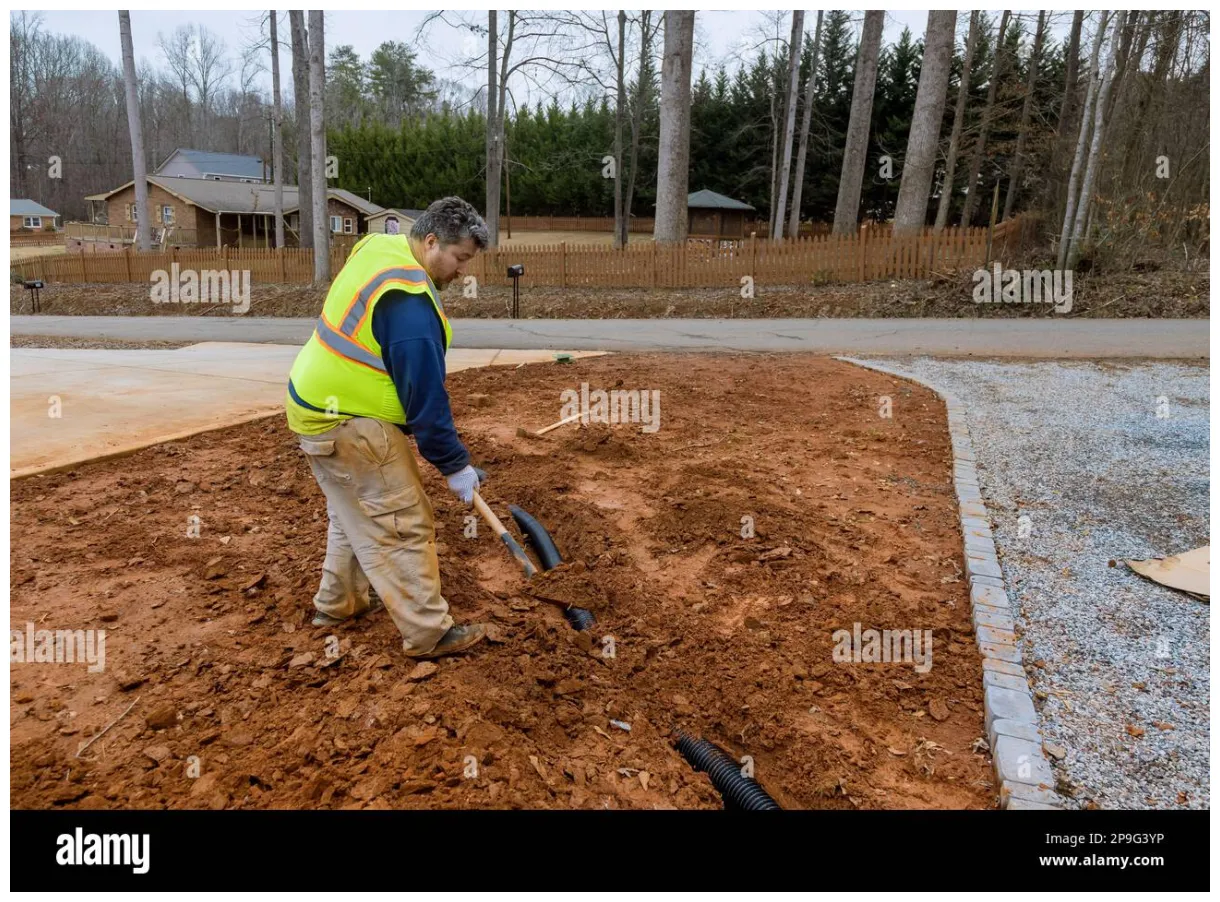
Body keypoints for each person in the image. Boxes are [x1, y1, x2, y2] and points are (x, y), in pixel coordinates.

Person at [284, 196, 490, 659]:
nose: (462, 272)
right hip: (347, 422)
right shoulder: (410, 305)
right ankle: (428, 634)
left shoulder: (381, 246)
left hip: (311, 405)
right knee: (401, 519)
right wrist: (455, 466)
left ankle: (337, 606)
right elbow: (426, 402)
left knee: (353, 509)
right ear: (432, 242)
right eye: (459, 259)